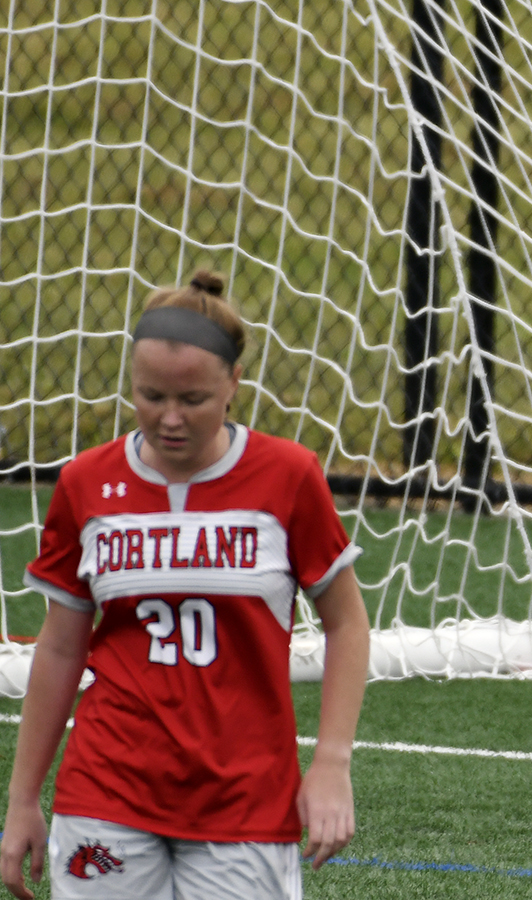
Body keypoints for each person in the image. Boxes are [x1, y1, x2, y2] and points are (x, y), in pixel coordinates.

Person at [0, 272, 370, 900]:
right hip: (106, 789)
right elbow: (62, 649)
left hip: (244, 798)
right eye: (150, 396)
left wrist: (332, 763)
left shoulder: (288, 476)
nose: (169, 419)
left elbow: (346, 622)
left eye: (193, 399)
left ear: (234, 384)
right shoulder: (87, 483)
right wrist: (22, 798)